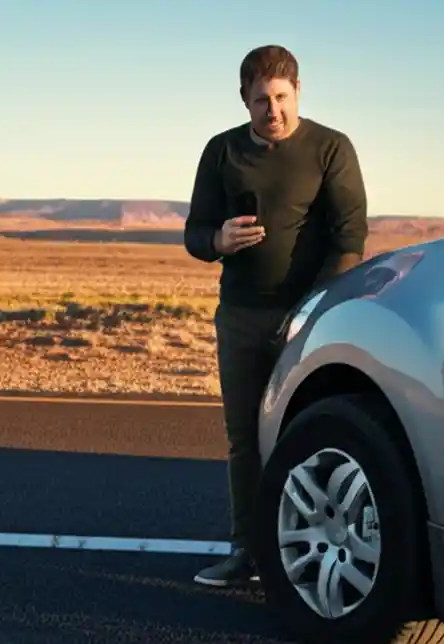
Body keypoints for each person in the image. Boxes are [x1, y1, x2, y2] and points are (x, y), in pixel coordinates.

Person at [185, 44, 367, 587]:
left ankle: (312, 553)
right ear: (244, 100)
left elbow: (349, 236)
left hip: (309, 322)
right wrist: (218, 238)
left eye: (282, 98)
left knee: (309, 435)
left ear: (298, 92)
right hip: (240, 317)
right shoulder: (221, 152)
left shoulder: (330, 148)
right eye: (261, 100)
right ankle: (249, 552)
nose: (274, 111)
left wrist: (310, 312)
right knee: (245, 440)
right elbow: (195, 234)